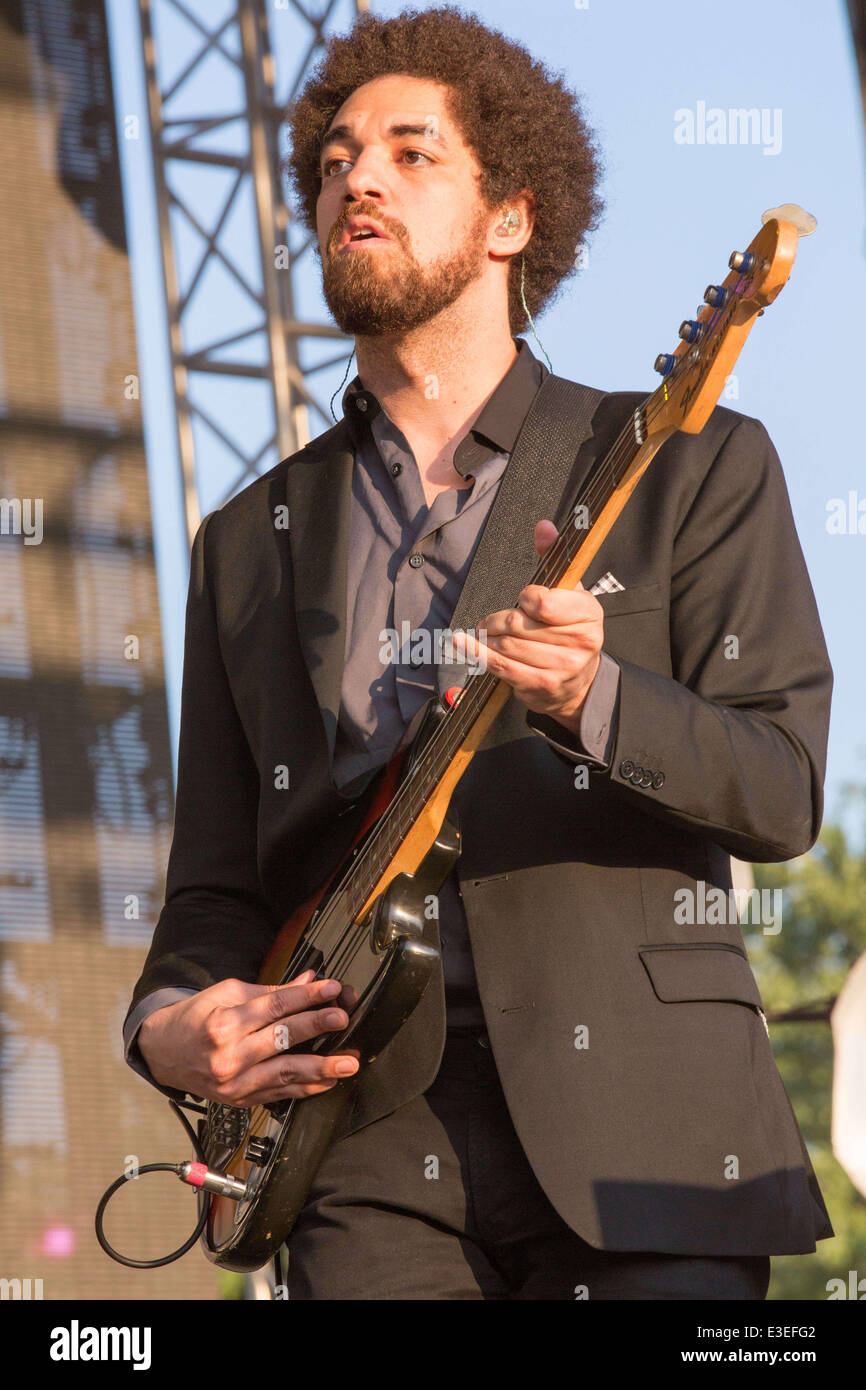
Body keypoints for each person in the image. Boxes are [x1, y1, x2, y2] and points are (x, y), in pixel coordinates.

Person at [124, 7, 834, 1299]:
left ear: (511, 218)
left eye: (409, 152)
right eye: (335, 158)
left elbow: (780, 786)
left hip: (651, 1141)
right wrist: (165, 1025)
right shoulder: (245, 539)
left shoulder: (690, 462)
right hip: (358, 1159)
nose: (358, 177)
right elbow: (215, 889)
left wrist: (596, 694)